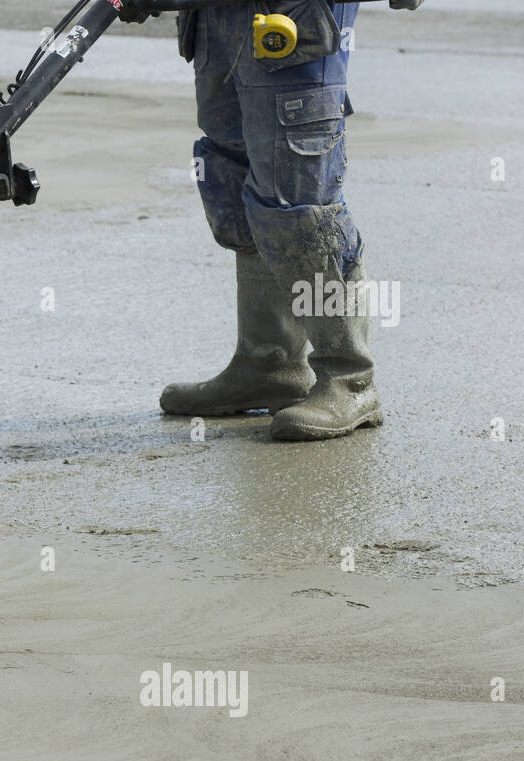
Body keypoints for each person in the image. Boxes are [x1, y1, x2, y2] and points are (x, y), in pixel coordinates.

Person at [119, 0, 423, 440]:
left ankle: (350, 378)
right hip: (212, 18)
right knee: (234, 174)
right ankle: (268, 364)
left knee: (298, 202)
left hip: (294, 12)